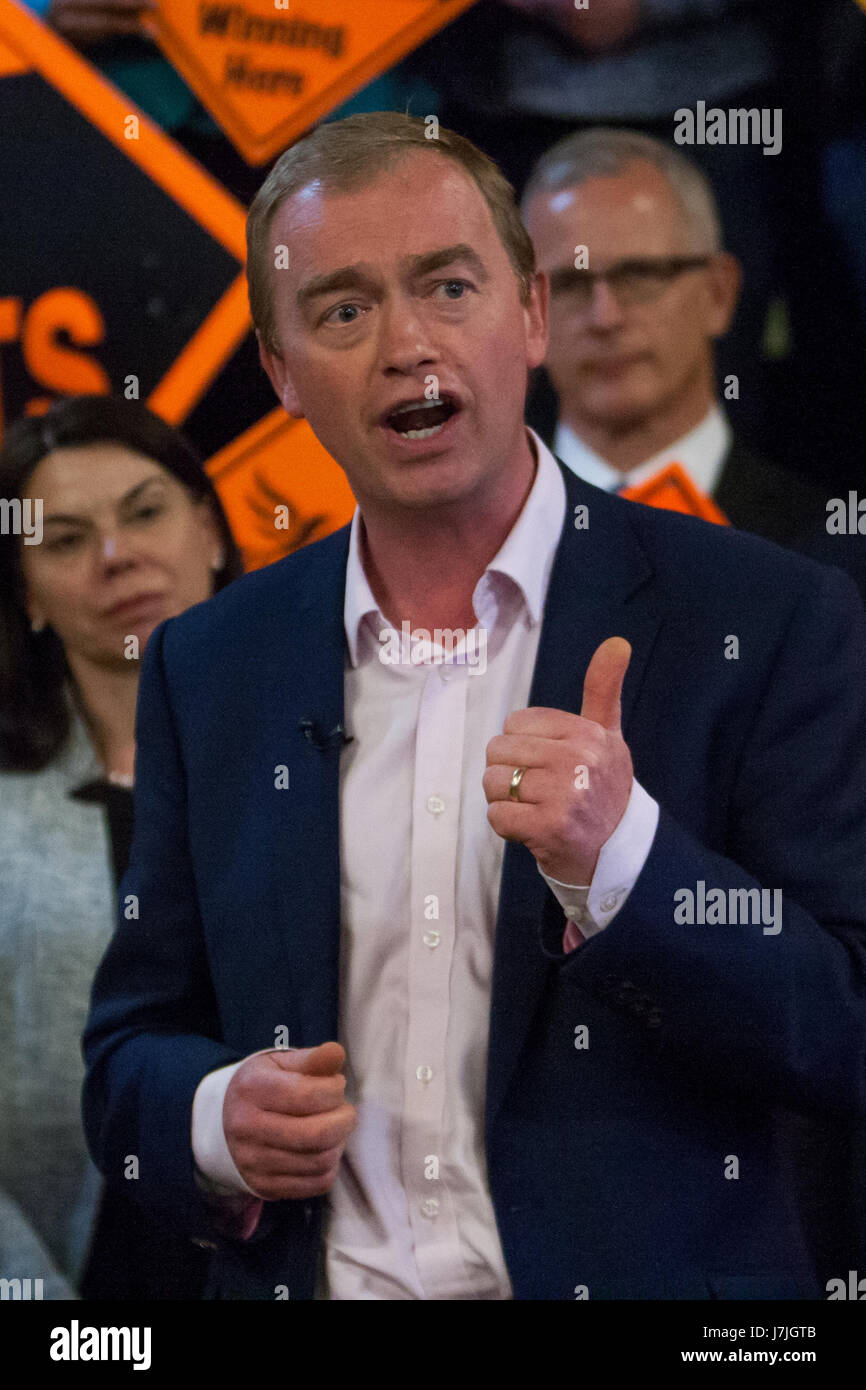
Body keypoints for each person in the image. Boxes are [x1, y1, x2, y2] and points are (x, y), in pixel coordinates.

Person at [83, 113, 866, 1300]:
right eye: (342, 310)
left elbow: (843, 1031)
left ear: (532, 315)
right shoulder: (209, 663)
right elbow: (126, 1055)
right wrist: (208, 1117)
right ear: (282, 372)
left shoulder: (770, 617)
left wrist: (623, 863)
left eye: (447, 286)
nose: (406, 344)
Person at [0, 394, 243, 1297]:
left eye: (145, 512)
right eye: (64, 540)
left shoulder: (346, 750)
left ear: (211, 531)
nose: (118, 557)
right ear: (24, 592)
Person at [521, 126, 827, 547]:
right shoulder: (467, 539)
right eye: (570, 285)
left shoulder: (830, 549)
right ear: (527, 313)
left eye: (640, 275)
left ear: (718, 294)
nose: (605, 317)